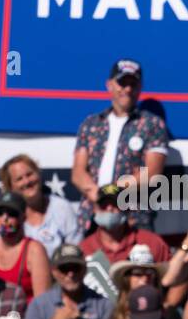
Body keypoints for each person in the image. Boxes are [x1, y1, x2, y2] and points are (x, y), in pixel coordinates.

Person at [70, 58, 168, 232]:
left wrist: (111, 192)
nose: (128, 89)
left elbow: (151, 174)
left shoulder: (152, 124)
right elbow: (78, 172)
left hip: (133, 219)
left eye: (133, 84)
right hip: (91, 217)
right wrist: (97, 195)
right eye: (122, 83)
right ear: (109, 85)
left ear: (140, 88)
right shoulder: (91, 124)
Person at [0, 154, 83, 259]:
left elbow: (76, 251)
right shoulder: (2, 214)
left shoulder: (62, 207)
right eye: (19, 179)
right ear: (10, 187)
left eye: (29, 174)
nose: (27, 181)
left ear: (38, 174)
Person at [80, 184, 170, 266]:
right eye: (103, 205)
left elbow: (175, 278)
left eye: (115, 204)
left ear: (127, 209)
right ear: (95, 209)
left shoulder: (152, 242)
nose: (109, 208)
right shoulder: (84, 248)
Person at [0, 191, 52, 311]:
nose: (5, 218)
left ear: (23, 217)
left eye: (11, 213)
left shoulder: (34, 251)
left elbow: (43, 305)